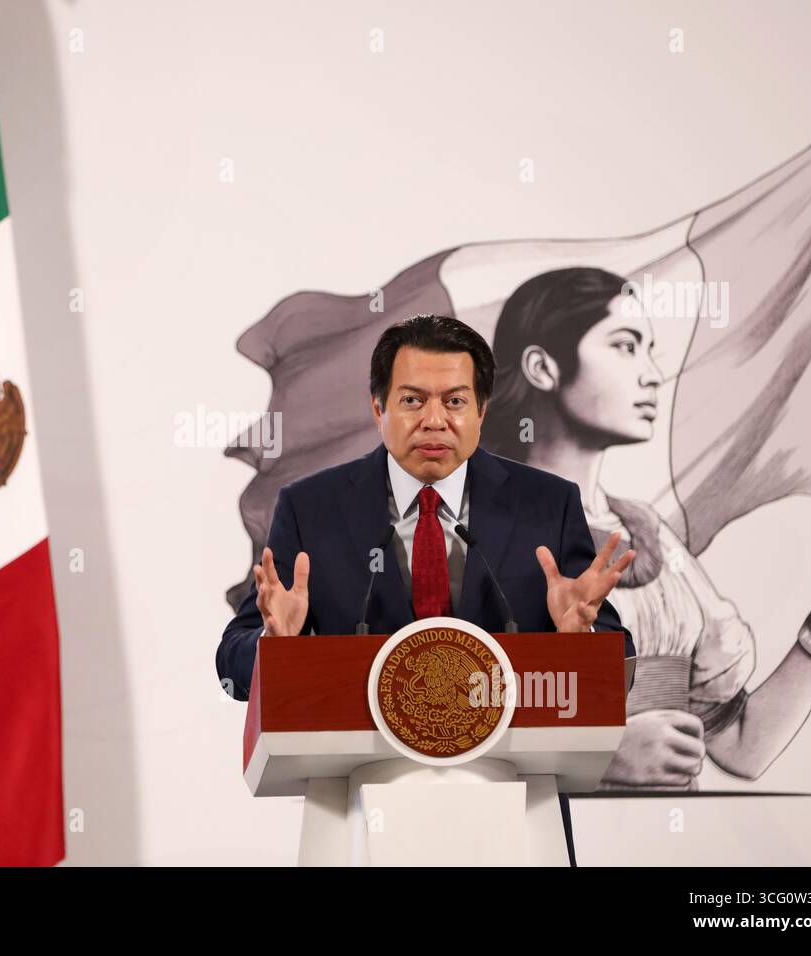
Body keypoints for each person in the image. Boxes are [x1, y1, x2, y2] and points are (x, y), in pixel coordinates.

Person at [218, 313, 637, 864]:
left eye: (455, 402)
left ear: (483, 410)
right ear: (378, 408)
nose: (434, 421)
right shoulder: (313, 509)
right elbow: (234, 660)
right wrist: (279, 647)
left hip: (515, 809)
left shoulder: (546, 505)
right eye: (413, 400)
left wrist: (578, 641)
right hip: (356, 811)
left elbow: (617, 659)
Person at [482, 266, 811, 790]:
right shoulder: (468, 532)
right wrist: (591, 753)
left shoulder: (650, 536)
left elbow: (741, 746)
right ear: (542, 366)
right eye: (625, 347)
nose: (650, 374)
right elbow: (418, 721)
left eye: (650, 351)